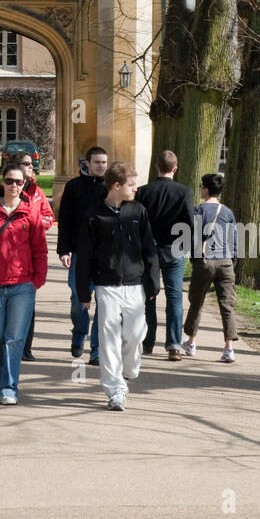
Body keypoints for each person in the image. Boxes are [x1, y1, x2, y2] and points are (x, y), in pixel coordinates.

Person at [75, 161, 159, 411]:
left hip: (135, 285)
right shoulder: (93, 215)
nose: (136, 189)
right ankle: (115, 389)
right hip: (106, 285)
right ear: (116, 185)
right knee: (108, 337)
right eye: (131, 185)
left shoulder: (138, 211)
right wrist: (83, 289)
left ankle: (129, 369)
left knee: (135, 334)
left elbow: (149, 250)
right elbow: (85, 254)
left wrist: (153, 283)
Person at [0, 161, 48, 404]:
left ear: (24, 183)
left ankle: (8, 387)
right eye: (9, 181)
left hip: (22, 285)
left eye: (18, 181)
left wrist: (38, 279)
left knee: (14, 338)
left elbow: (39, 248)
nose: (14, 185)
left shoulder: (30, 211)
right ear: (2, 182)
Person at [0, 151, 55, 360]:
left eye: (32, 164)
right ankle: (0, 367)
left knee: (19, 327)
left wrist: (38, 278)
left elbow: (48, 218)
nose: (31, 166)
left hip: (24, 273)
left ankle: (24, 350)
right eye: (26, 163)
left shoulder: (37, 193)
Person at [135, 150, 194, 360]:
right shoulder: (184, 192)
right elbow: (189, 221)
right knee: (175, 298)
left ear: (156, 167)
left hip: (149, 250)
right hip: (174, 249)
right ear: (175, 169)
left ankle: (148, 341)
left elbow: (138, 222)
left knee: (148, 296)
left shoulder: (143, 192)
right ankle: (173, 345)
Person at [57, 145, 108, 364]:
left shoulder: (110, 187)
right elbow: (65, 220)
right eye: (97, 162)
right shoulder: (74, 187)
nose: (101, 166)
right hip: (79, 253)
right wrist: (63, 249)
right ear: (87, 163)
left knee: (104, 303)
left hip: (104, 255)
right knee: (79, 300)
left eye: (104, 162)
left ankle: (96, 349)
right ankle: (79, 334)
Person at [182, 173, 239, 363]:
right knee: (227, 305)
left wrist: (195, 259)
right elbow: (234, 240)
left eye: (201, 186)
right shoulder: (228, 212)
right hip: (225, 262)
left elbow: (194, 238)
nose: (200, 189)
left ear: (206, 189)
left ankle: (191, 343)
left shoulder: (198, 211)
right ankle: (229, 348)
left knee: (196, 302)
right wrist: (232, 262)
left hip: (205, 261)